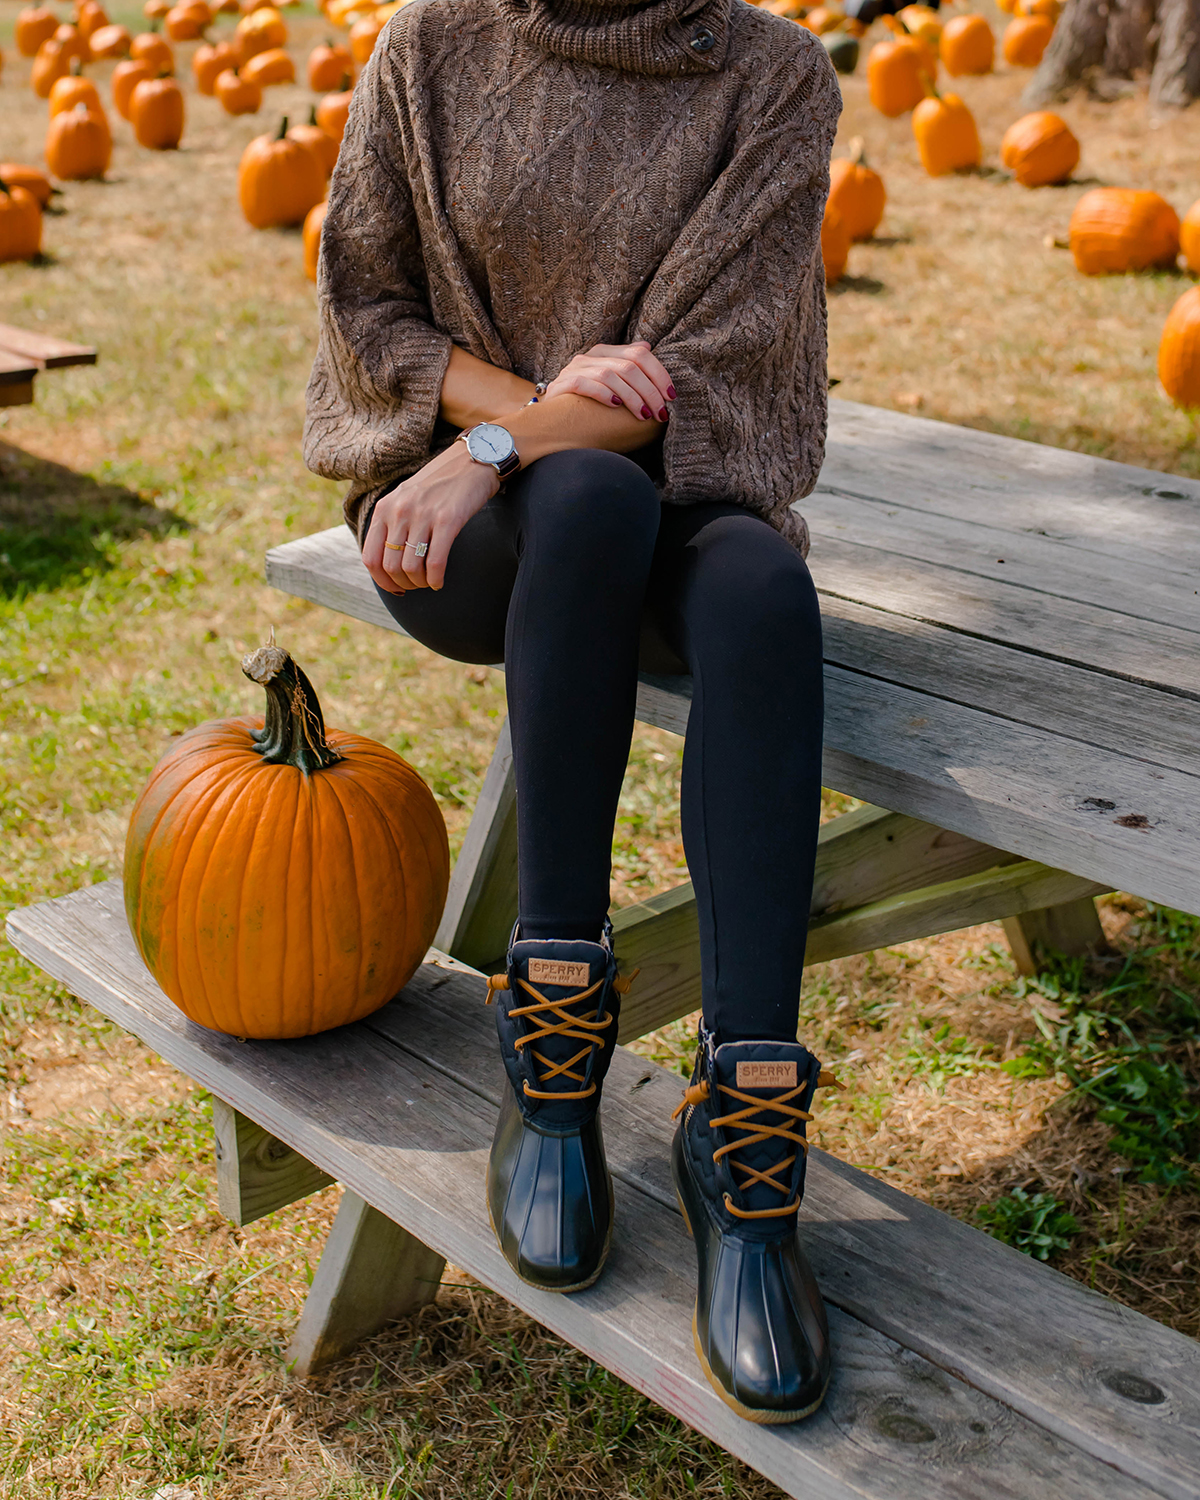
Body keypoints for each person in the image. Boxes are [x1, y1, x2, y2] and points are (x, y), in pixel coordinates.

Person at [304, 0, 840, 1424]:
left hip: (677, 483)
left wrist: (503, 441)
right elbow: (367, 308)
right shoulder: (432, 48)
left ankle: (747, 1139)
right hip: (466, 532)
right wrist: (512, 434)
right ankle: (554, 1050)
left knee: (762, 600)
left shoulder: (772, 76)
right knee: (589, 493)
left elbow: (709, 368)